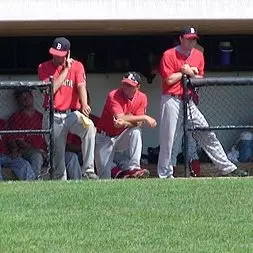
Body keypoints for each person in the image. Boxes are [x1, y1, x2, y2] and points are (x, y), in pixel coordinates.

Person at [157, 26, 248, 178]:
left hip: (189, 101)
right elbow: (168, 79)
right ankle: (166, 175)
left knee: (207, 132)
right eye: (188, 39)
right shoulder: (169, 54)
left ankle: (228, 168)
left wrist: (191, 73)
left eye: (194, 39)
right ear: (181, 39)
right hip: (172, 99)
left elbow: (200, 78)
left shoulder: (198, 55)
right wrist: (183, 72)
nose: (191, 42)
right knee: (170, 139)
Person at [38, 37, 98, 180]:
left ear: (68, 53)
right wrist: (65, 70)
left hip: (71, 114)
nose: (57, 56)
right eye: (55, 53)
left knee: (89, 127)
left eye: (60, 54)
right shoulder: (43, 67)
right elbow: (50, 90)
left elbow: (81, 86)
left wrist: (84, 104)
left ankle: (88, 170)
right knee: (59, 166)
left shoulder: (77, 66)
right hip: (53, 115)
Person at [95, 72, 157, 179]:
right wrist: (145, 117)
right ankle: (121, 173)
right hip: (104, 138)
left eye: (130, 85)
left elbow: (138, 123)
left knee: (136, 131)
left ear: (137, 87)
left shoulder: (142, 97)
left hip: (120, 136)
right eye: (125, 84)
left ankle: (134, 167)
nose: (126, 87)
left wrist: (126, 123)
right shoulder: (114, 95)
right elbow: (121, 117)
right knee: (104, 177)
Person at [8, 89, 46, 179]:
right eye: (22, 97)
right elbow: (20, 142)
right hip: (26, 152)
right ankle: (35, 183)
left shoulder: (41, 116)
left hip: (44, 152)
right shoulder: (16, 117)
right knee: (36, 155)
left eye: (27, 96)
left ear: (32, 97)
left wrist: (45, 151)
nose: (25, 99)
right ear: (18, 101)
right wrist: (39, 150)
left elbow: (48, 138)